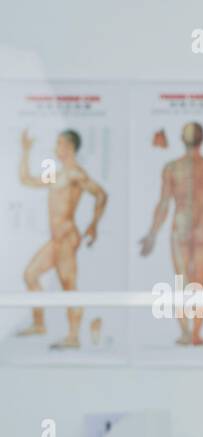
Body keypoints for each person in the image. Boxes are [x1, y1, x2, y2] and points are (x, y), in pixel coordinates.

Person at [139, 122, 203, 347]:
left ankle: (195, 332)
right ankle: (185, 331)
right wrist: (152, 233)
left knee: (198, 282)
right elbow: (164, 203)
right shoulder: (171, 168)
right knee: (182, 282)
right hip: (181, 226)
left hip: (201, 227)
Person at [17, 128, 107, 349]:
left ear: (68, 146)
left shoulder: (76, 173)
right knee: (30, 275)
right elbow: (26, 180)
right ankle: (39, 324)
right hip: (56, 239)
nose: (55, 148)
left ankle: (74, 337)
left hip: (67, 236)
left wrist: (94, 225)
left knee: (69, 286)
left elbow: (101, 194)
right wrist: (26, 151)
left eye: (59, 143)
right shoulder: (57, 174)